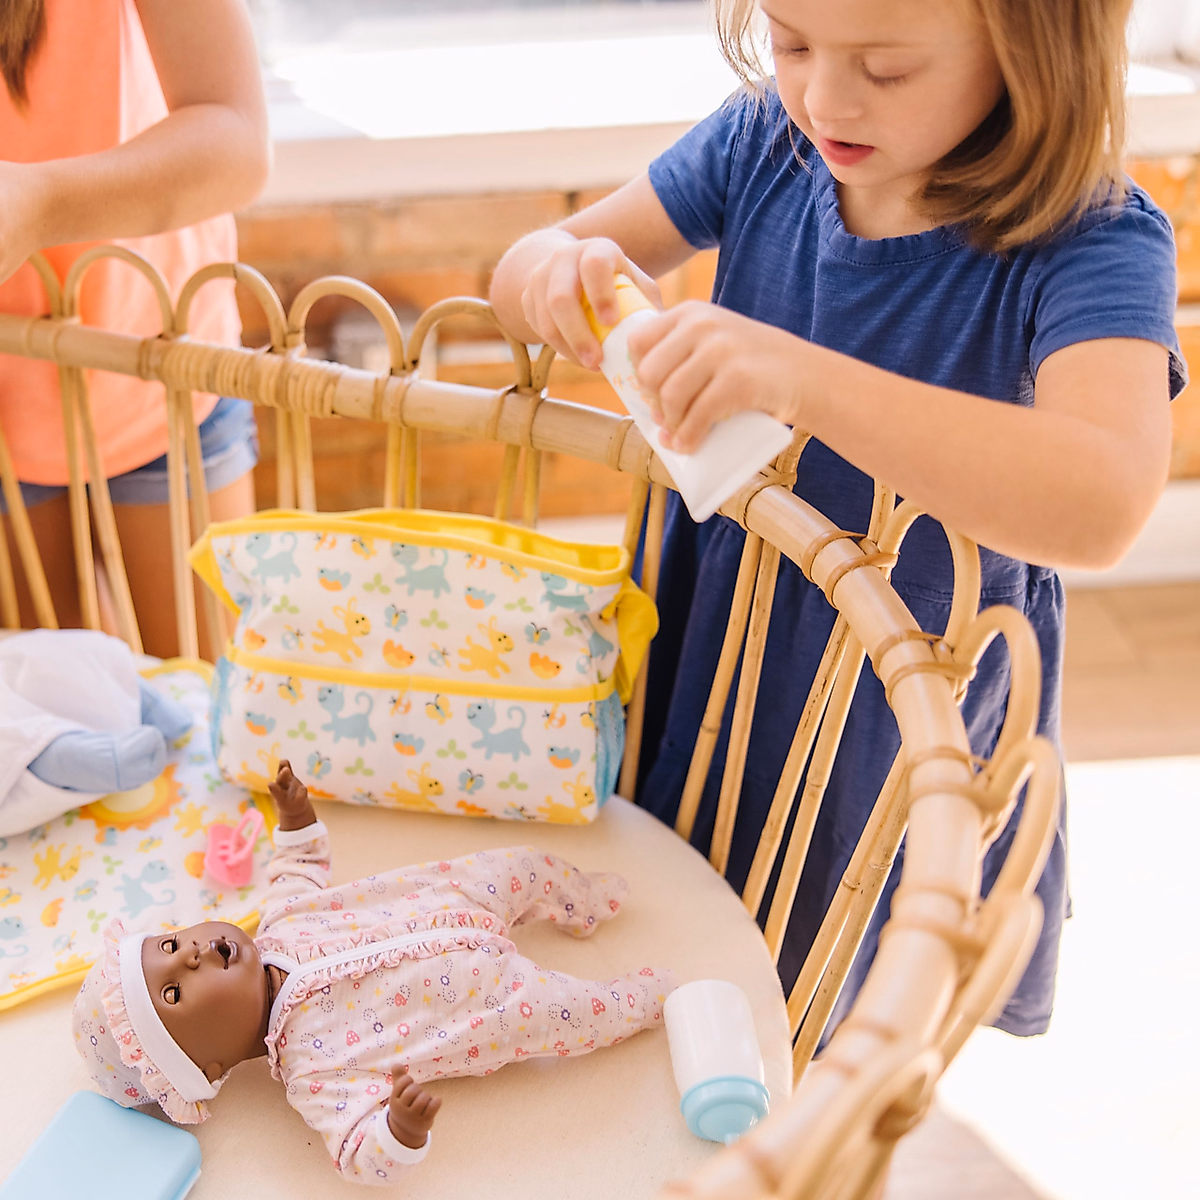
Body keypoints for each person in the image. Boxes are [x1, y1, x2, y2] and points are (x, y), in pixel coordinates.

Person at [489, 0, 1185, 1039]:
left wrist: (804, 380)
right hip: (718, 629)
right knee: (677, 924)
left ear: (1033, 51)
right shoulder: (762, 141)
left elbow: (1103, 503)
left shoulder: (1092, 237)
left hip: (895, 698)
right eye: (792, 43)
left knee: (828, 997)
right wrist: (553, 271)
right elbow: (525, 266)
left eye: (887, 69)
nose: (823, 99)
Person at [72, 761, 674, 1184]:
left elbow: (299, 865)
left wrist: (296, 819)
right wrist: (399, 1131)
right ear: (208, 1069)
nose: (189, 954)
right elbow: (357, 1152)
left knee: (521, 865)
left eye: (171, 943)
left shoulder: (281, 919)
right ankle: (646, 1001)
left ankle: (582, 899)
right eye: (173, 991)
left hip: (454, 897)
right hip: (492, 1002)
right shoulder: (312, 1072)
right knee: (575, 1016)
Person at [0, 0, 270, 658]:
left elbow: (237, 139)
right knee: (55, 707)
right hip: (8, 409)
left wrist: (38, 203)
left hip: (161, 366)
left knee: (212, 698)